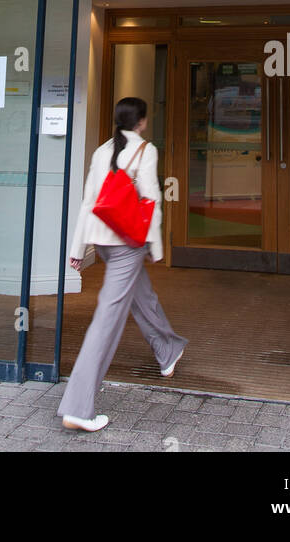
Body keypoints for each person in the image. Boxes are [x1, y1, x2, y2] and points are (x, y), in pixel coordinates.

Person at [58, 95, 188, 433]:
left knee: (140, 296)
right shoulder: (146, 150)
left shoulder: (102, 151)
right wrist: (156, 247)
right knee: (107, 318)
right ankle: (78, 407)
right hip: (128, 243)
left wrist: (78, 248)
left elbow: (89, 200)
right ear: (141, 121)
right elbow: (151, 200)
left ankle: (167, 349)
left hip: (102, 242)